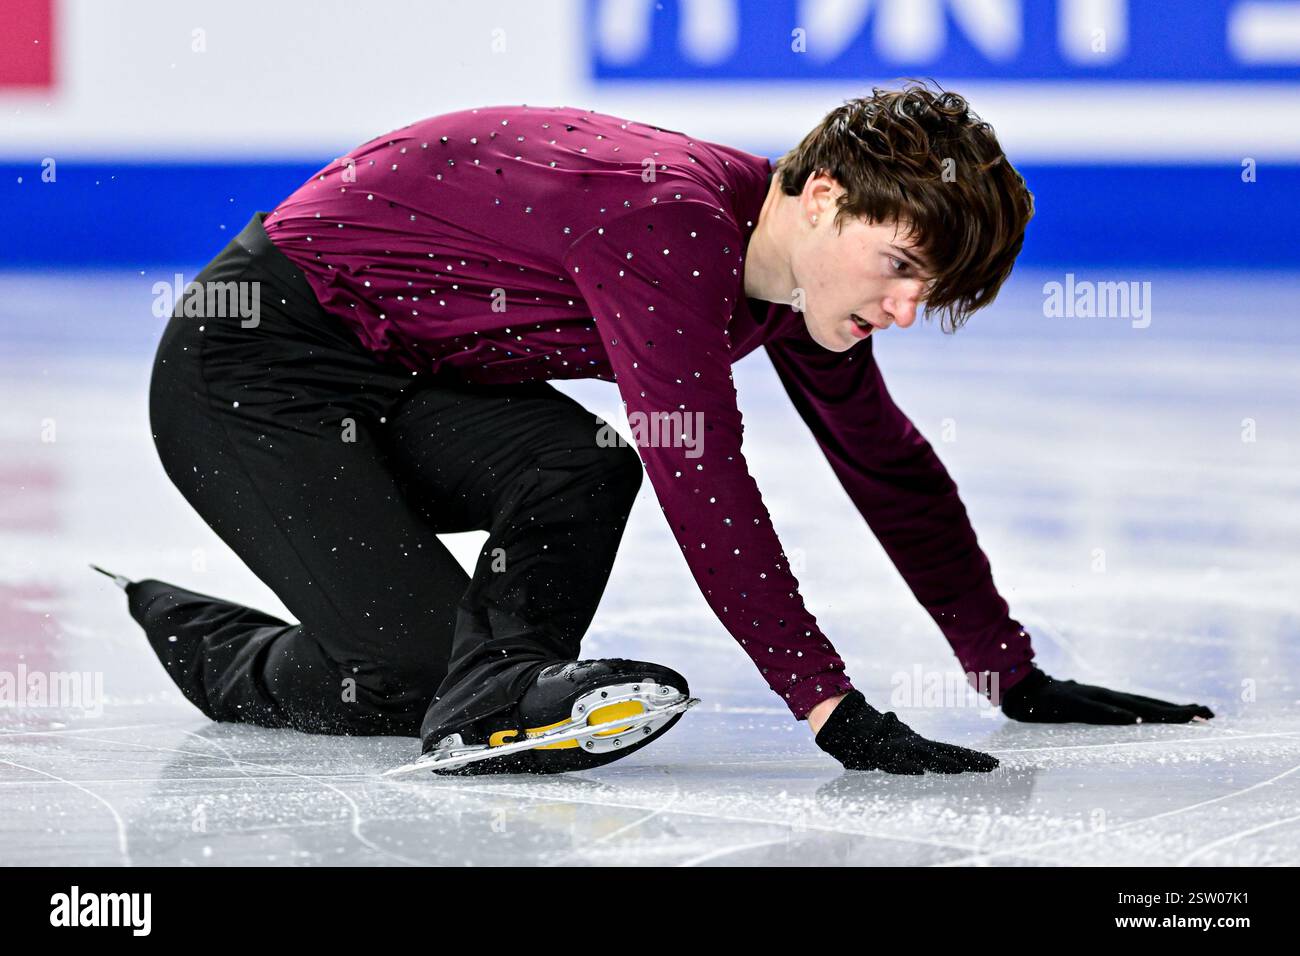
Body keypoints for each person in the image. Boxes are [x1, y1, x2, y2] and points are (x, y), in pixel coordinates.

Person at [106, 81, 1213, 776]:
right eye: (904, 266)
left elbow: (884, 459)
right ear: (825, 192)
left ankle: (496, 682)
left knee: (580, 466)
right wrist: (829, 708)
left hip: (397, 378)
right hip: (248, 371)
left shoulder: (788, 276)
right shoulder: (672, 226)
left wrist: (1006, 669)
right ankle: (217, 645)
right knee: (398, 680)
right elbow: (706, 472)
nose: (906, 310)